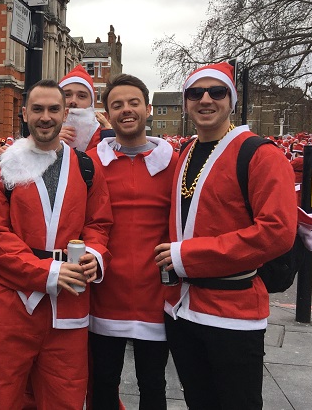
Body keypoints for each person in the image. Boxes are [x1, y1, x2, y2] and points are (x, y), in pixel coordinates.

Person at [154, 62, 298, 409]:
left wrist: (188, 256)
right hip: (182, 309)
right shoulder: (186, 151)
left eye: (216, 92)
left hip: (233, 312)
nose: (205, 100)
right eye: (195, 93)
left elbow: (277, 231)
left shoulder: (260, 154)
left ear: (231, 100)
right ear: (186, 102)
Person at [0, 79, 113, 409]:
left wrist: (94, 255)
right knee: (1, 397)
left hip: (69, 304)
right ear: (25, 113)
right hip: (13, 302)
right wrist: (48, 272)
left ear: (65, 114)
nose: (45, 117)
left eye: (54, 109)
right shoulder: (1, 169)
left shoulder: (87, 167)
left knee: (65, 397)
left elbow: (99, 224)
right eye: (37, 109)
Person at [86, 74, 177, 409]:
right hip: (106, 291)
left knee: (153, 384)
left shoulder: (175, 163)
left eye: (133, 102)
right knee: (103, 383)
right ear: (108, 114)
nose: (126, 110)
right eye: (117, 105)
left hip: (156, 292)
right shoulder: (90, 163)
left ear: (148, 109)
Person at [58, 64, 114, 151]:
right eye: (67, 95)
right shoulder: (40, 135)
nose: (73, 101)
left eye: (81, 96)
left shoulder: (106, 140)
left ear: (91, 102)